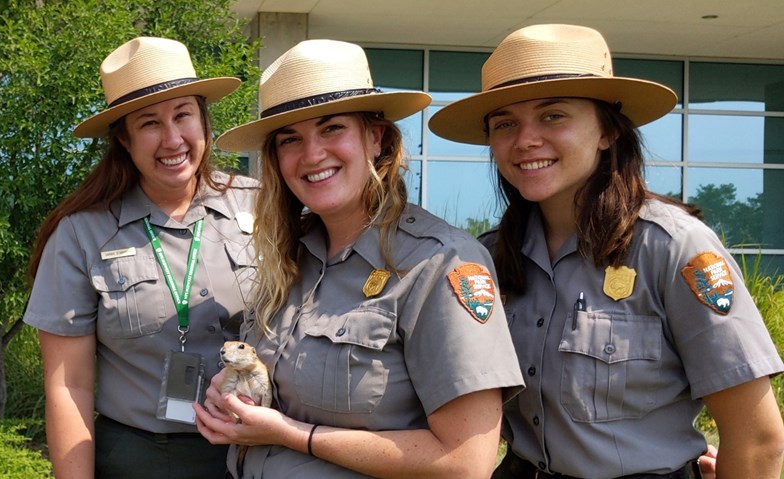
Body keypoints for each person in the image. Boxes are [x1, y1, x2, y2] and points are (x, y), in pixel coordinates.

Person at [428, 24, 784, 479]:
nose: (526, 139)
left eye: (553, 115)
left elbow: (757, 438)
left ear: (607, 133)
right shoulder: (489, 259)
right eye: (505, 123)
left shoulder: (673, 249)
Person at [194, 38, 525, 479]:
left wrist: (290, 434)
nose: (312, 155)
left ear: (376, 138)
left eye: (332, 128)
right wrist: (235, 394)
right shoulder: (290, 257)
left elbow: (466, 462)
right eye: (290, 139)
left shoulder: (439, 263)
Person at [23, 36, 258, 478]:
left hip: (260, 452)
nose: (173, 139)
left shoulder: (261, 207)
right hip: (145, 459)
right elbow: (68, 386)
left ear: (204, 121)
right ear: (124, 139)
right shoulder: (81, 233)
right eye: (150, 123)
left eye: (183, 114)